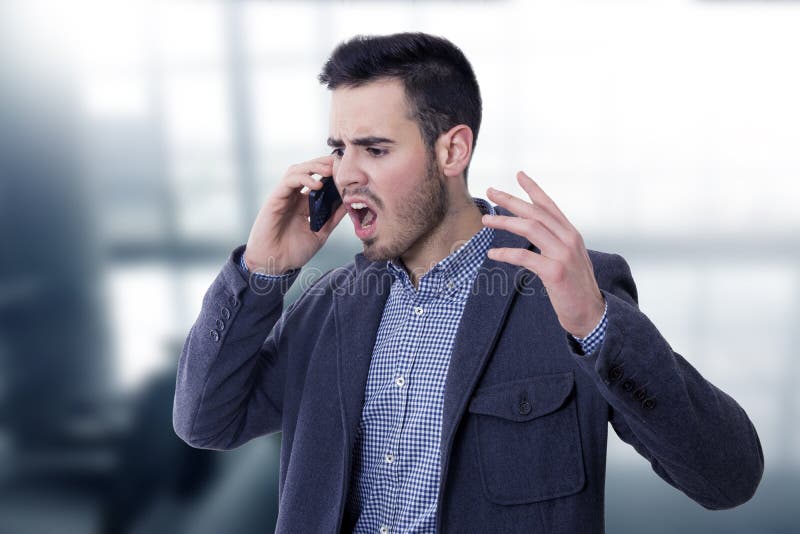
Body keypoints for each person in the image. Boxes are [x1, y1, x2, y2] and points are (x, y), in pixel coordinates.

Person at [173, 32, 763, 533]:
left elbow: (726, 477)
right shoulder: (328, 306)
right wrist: (261, 272)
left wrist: (597, 327)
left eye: (375, 149)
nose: (346, 174)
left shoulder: (566, 289)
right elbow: (204, 422)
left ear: (452, 150)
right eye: (339, 148)